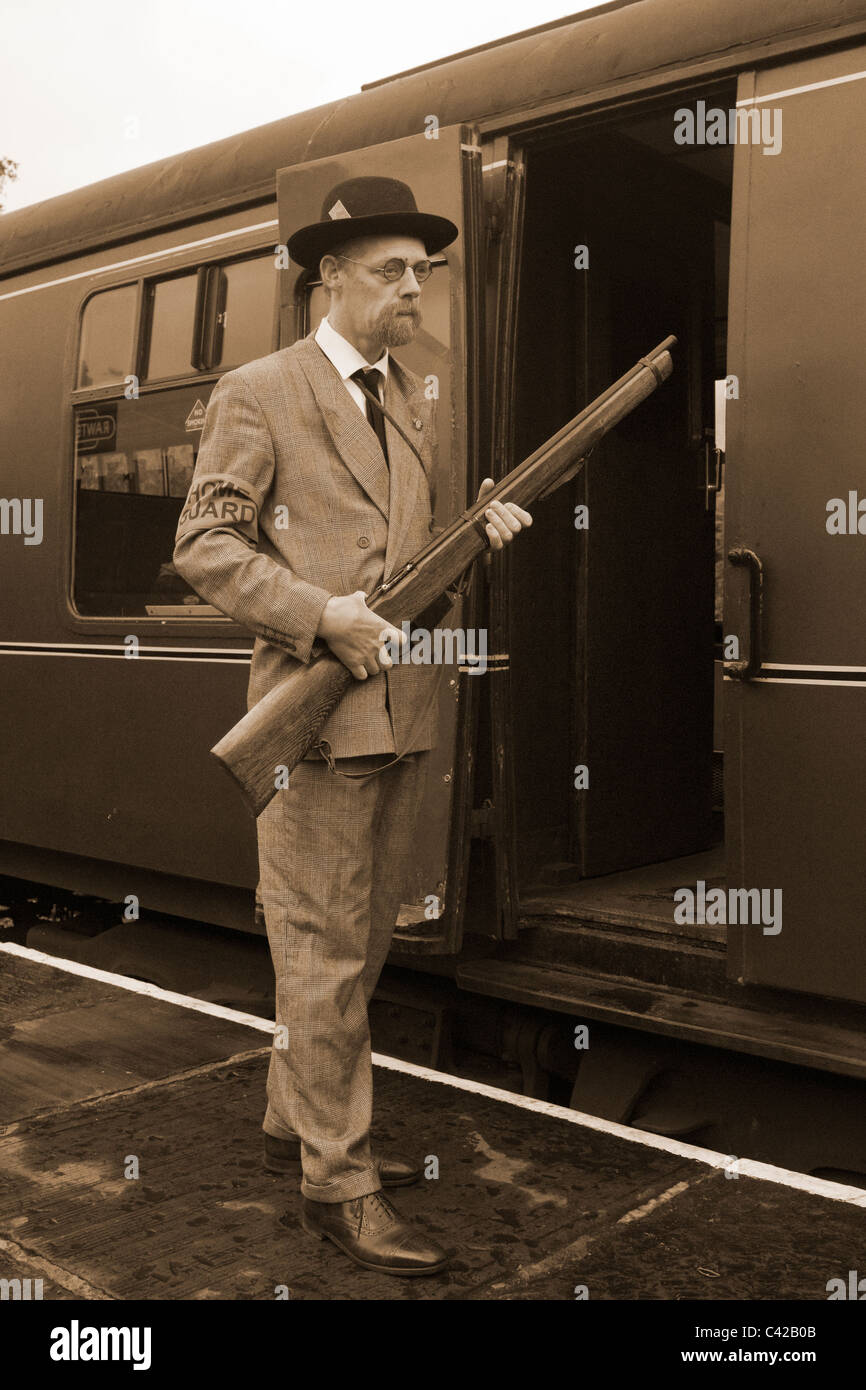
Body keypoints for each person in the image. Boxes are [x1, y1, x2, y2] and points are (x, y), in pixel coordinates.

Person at [173, 176, 531, 1277]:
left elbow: (401, 577)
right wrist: (317, 612)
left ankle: (294, 1110)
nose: (411, 286)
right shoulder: (260, 389)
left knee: (362, 944)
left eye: (419, 270)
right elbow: (206, 547)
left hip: (396, 720)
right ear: (328, 279)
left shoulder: (405, 399)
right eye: (389, 269)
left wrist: (474, 543)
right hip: (313, 730)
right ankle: (340, 1184)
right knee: (324, 956)